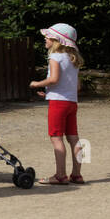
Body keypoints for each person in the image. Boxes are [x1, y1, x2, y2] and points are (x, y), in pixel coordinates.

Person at [29, 23, 84, 185]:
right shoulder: (73, 60)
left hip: (58, 104)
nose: (45, 39)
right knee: (74, 138)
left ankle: (60, 175)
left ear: (56, 40)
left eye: (48, 37)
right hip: (72, 103)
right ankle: (77, 175)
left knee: (56, 138)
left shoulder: (55, 57)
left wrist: (37, 84)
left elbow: (53, 79)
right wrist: (49, 93)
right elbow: (77, 86)